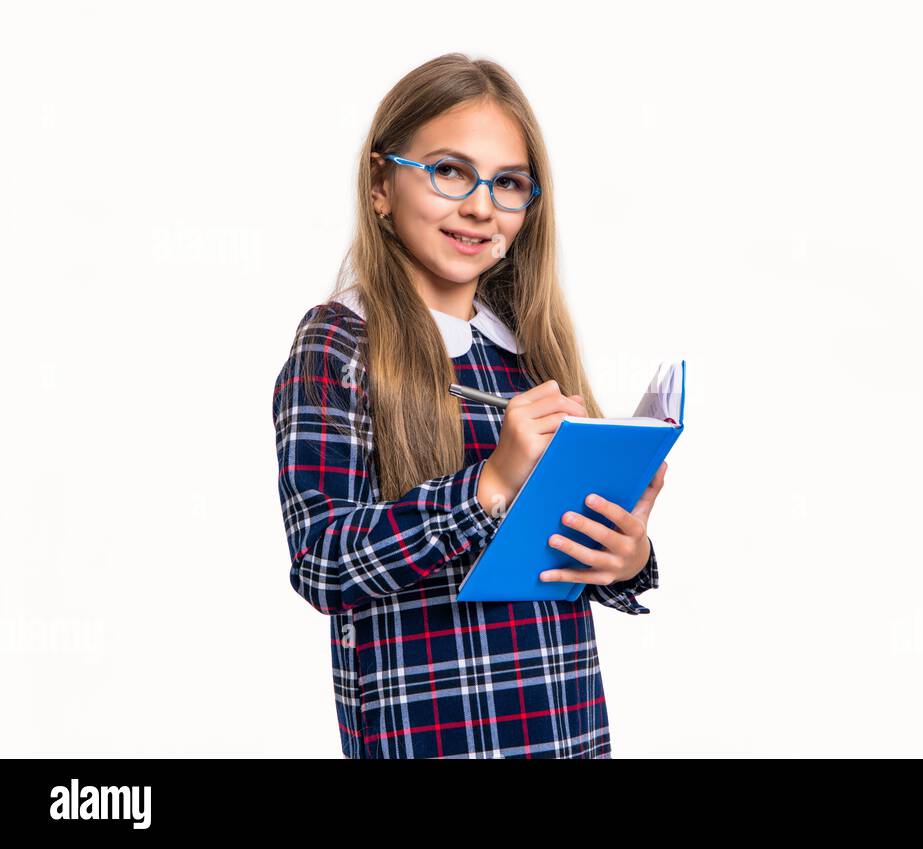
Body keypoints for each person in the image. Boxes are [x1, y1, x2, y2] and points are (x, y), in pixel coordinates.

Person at [271, 53, 667, 758]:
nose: (482, 205)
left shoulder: (527, 348)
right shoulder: (338, 343)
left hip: (567, 733)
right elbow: (321, 563)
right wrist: (487, 485)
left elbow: (557, 554)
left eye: (509, 183)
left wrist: (624, 552)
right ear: (380, 184)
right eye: (450, 171)